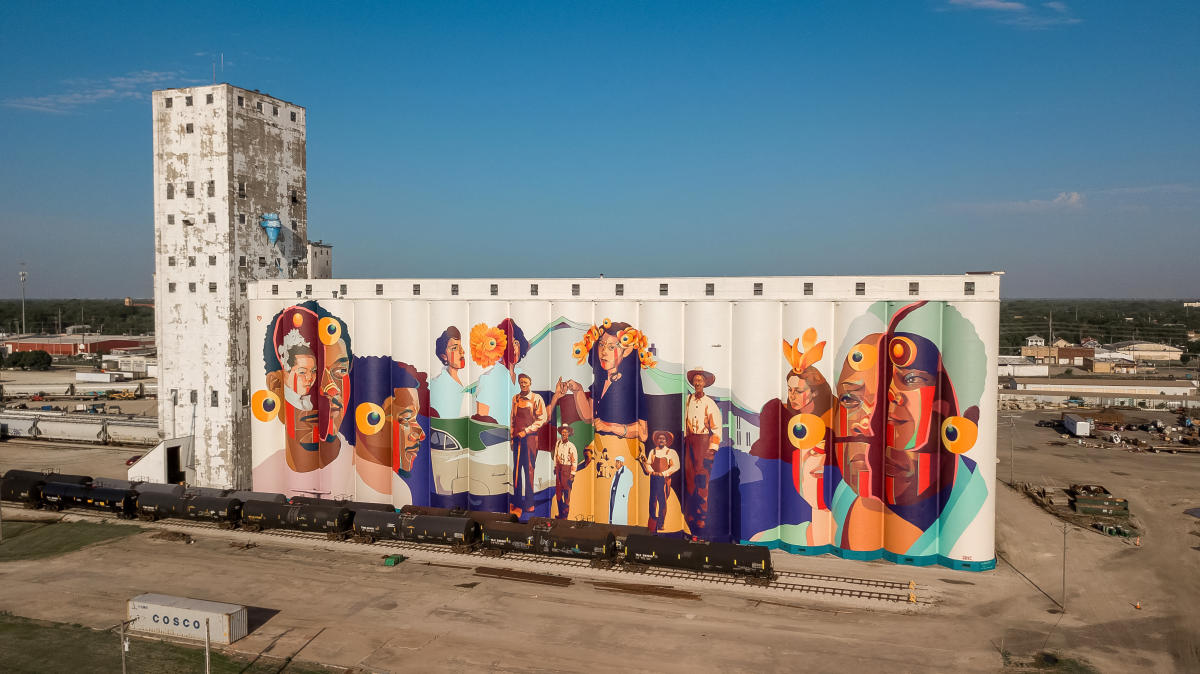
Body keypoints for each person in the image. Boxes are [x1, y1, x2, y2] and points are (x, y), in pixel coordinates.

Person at [551, 319, 654, 526]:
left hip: (624, 455)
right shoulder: (601, 380)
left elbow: (643, 432)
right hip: (599, 453)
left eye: (611, 347)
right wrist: (579, 391)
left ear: (625, 352)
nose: (603, 352)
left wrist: (611, 427)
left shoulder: (633, 384)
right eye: (601, 346)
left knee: (616, 503)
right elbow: (589, 416)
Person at [252, 302, 353, 497]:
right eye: (302, 373)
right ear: (275, 386)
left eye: (340, 371)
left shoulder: (363, 472)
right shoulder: (264, 472)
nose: (328, 391)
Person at [749, 329, 834, 546]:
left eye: (798, 390)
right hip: (788, 480)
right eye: (789, 389)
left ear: (814, 391)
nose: (792, 395)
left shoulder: (829, 418)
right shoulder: (780, 412)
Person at [683, 368, 721, 534]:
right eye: (695, 380)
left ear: (705, 383)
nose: (697, 383)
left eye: (700, 380)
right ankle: (690, 517)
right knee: (689, 478)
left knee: (701, 480)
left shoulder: (709, 403)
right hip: (689, 442)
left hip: (703, 443)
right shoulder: (688, 399)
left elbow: (717, 429)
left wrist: (711, 450)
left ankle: (702, 518)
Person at [471, 318, 529, 426]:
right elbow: (481, 424)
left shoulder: (522, 375)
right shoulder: (488, 379)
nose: (513, 348)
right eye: (508, 343)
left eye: (516, 342)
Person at [509, 372, 546, 516]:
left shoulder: (536, 399)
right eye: (521, 382)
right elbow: (512, 418)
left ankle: (529, 503)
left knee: (529, 470)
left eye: (525, 382)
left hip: (530, 440)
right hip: (517, 439)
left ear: (530, 383)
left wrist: (527, 431)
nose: (523, 385)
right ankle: (517, 502)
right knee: (516, 471)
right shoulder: (515, 399)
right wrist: (512, 437)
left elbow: (542, 419)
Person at [640, 430, 680, 534]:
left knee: (662, 502)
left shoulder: (671, 452)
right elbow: (648, 463)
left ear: (666, 441)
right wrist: (652, 471)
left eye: (663, 439)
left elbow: (676, 466)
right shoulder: (652, 452)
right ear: (657, 440)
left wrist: (664, 473)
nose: (661, 440)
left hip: (664, 479)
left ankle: (661, 523)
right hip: (654, 478)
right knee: (652, 500)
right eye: (659, 438)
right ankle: (652, 521)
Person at [429, 326, 469, 418]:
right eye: (455, 348)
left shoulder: (462, 380)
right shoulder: (438, 384)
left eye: (461, 347)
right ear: (444, 356)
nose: (462, 352)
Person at [553, 424, 577, 519]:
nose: (564, 434)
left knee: (567, 495)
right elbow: (555, 456)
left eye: (566, 432)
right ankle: (560, 513)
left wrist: (572, 474)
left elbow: (574, 460)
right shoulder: (558, 444)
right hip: (559, 470)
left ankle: (565, 516)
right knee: (558, 494)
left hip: (567, 471)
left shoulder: (571, 446)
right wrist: (555, 467)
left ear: (568, 434)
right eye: (563, 432)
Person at [608, 455, 633, 524]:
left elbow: (630, 483)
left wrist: (623, 493)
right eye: (616, 462)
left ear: (621, 463)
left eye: (617, 462)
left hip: (620, 496)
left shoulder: (627, 472)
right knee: (612, 507)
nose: (616, 464)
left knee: (619, 512)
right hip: (614, 493)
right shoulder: (617, 472)